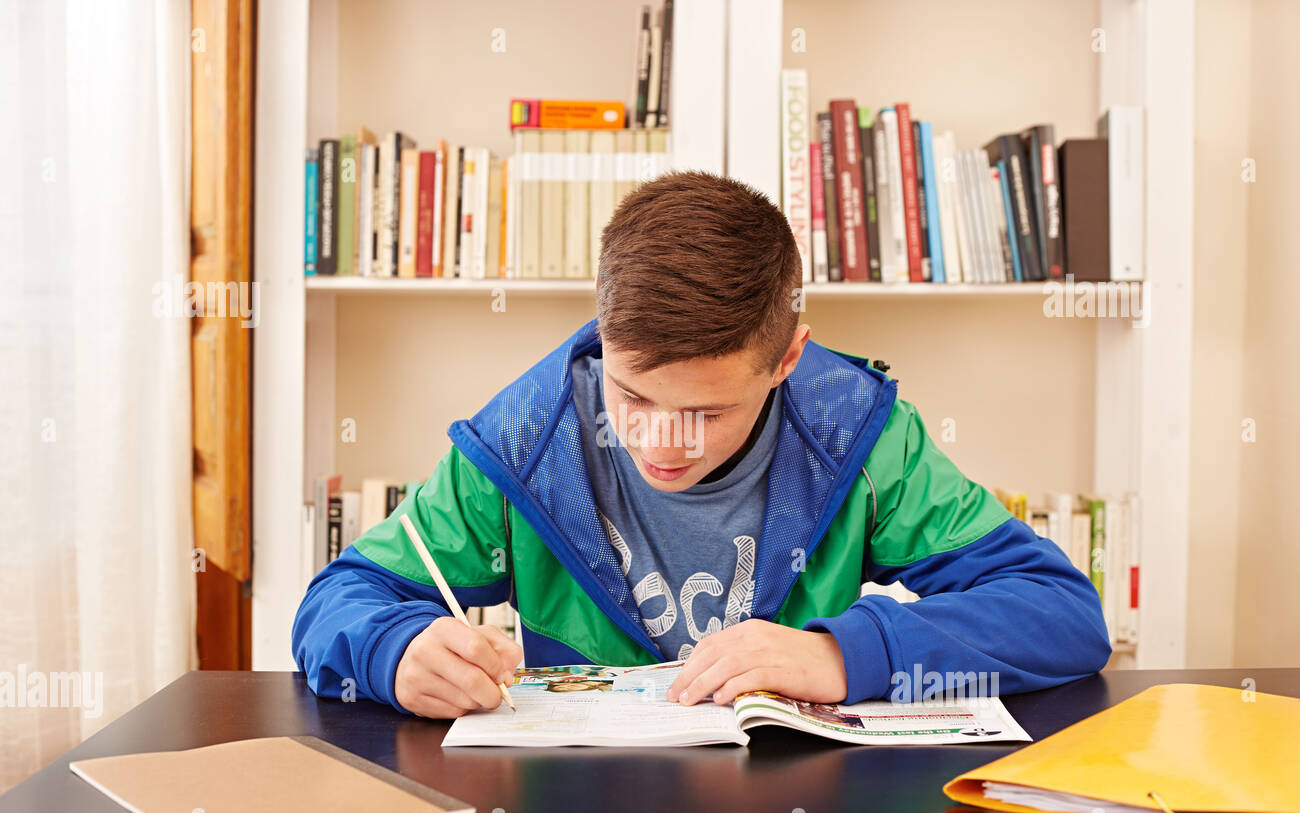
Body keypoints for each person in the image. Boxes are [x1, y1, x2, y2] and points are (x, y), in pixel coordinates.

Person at [291, 171, 1110, 719]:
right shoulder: (524, 441)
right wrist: (391, 648)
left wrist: (844, 654)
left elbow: (1064, 616)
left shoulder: (854, 434)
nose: (660, 441)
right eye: (632, 396)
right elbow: (337, 600)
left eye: (708, 412)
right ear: (603, 338)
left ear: (787, 360)